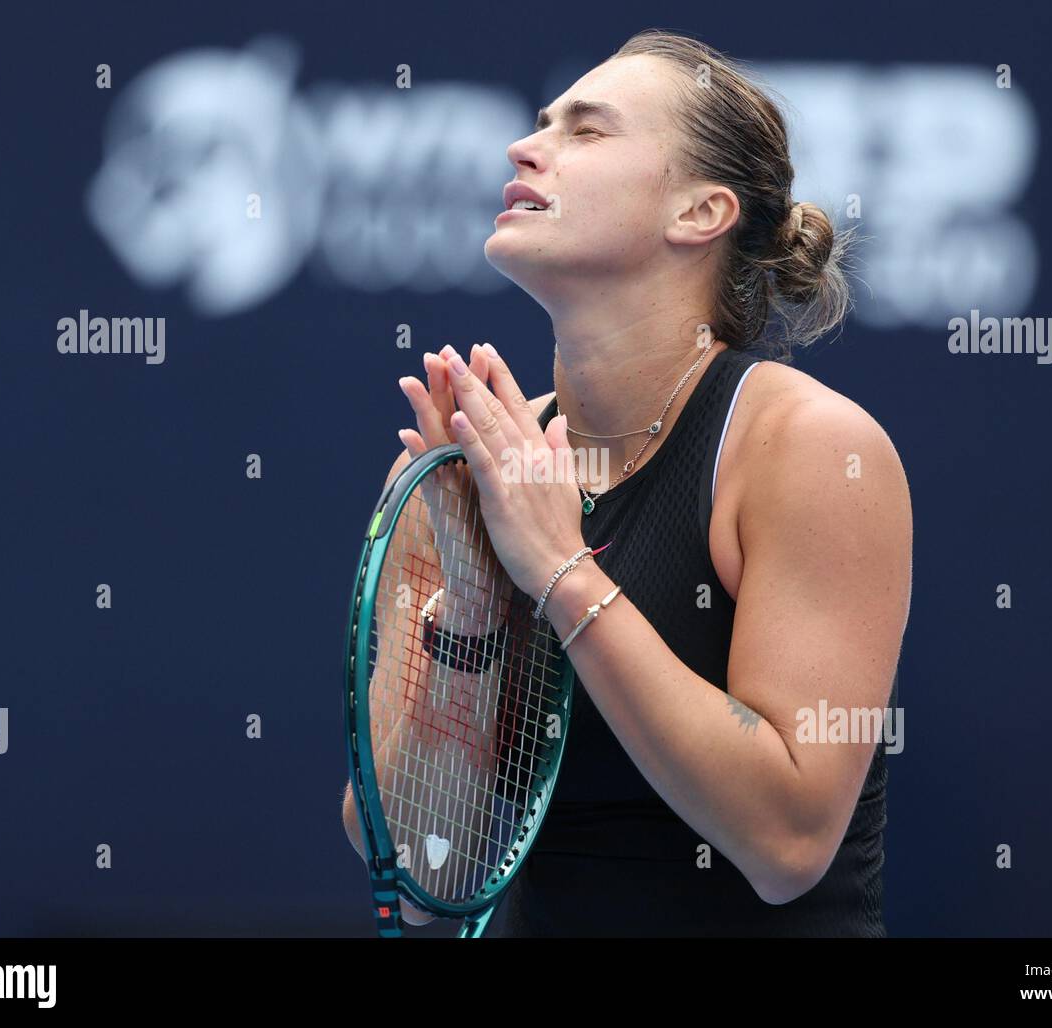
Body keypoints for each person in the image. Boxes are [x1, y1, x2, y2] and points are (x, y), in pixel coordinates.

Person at [344, 29, 912, 936]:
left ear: (700, 211)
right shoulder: (455, 475)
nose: (525, 147)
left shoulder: (810, 449)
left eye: (586, 130)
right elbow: (421, 876)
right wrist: (473, 610)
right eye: (541, 123)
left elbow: (787, 842)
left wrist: (559, 570)